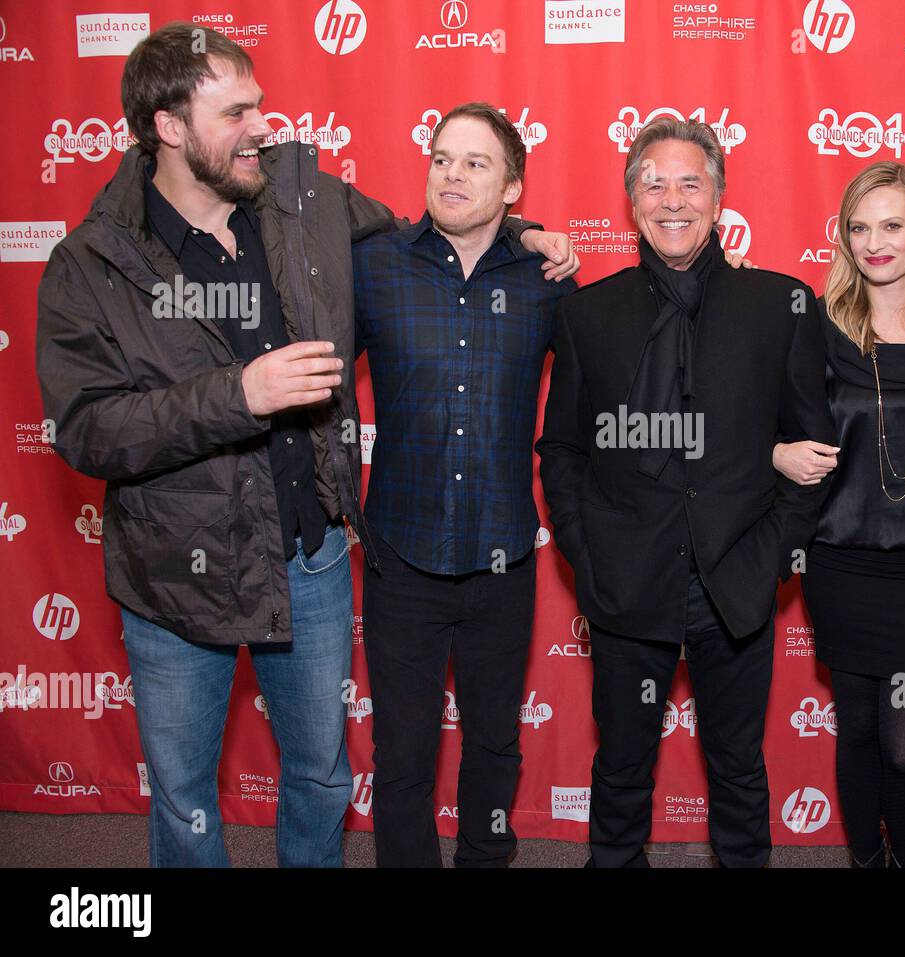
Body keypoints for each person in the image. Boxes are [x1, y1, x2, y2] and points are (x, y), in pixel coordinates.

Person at [34, 23, 575, 867]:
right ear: (169, 126)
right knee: (184, 795)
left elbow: (437, 235)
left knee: (322, 774)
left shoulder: (299, 199)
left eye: (260, 105)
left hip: (309, 555)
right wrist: (238, 395)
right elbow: (87, 427)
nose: (263, 125)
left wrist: (525, 231)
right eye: (236, 112)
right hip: (178, 569)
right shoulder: (92, 262)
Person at [537, 117, 835, 867]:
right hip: (624, 580)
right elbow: (563, 449)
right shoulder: (587, 313)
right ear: (632, 201)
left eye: (690, 183)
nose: (673, 200)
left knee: (738, 769)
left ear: (719, 198)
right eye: (654, 184)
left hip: (734, 580)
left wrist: (770, 555)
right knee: (621, 766)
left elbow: (814, 449)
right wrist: (585, 549)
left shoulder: (781, 305)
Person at [352, 103, 577, 868]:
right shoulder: (375, 264)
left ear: (512, 186)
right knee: (402, 753)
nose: (452, 174)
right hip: (399, 554)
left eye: (476, 163)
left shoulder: (545, 278)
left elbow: (612, 364)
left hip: (501, 557)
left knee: (493, 744)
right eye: (442, 158)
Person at [774, 161, 905, 868]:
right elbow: (752, 410)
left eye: (892, 225)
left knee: (904, 748)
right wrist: (776, 453)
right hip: (839, 558)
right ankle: (867, 858)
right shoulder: (815, 322)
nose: (874, 243)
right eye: (859, 228)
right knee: (859, 729)